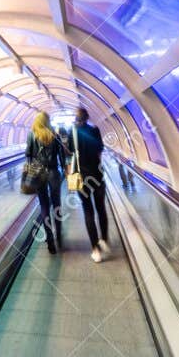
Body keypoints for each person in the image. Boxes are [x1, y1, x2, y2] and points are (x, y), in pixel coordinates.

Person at [69, 108, 111, 262]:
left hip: (82, 178)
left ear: (76, 117)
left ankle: (96, 250)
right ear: (87, 117)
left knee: (88, 212)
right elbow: (100, 150)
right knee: (101, 209)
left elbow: (71, 152)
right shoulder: (95, 130)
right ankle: (104, 240)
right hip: (97, 176)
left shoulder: (72, 132)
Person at [24, 111, 68, 253]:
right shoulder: (53, 134)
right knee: (57, 204)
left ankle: (50, 240)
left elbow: (28, 155)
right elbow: (61, 156)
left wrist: (30, 172)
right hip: (54, 172)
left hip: (38, 172)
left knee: (44, 206)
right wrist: (66, 171)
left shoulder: (32, 134)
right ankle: (59, 237)